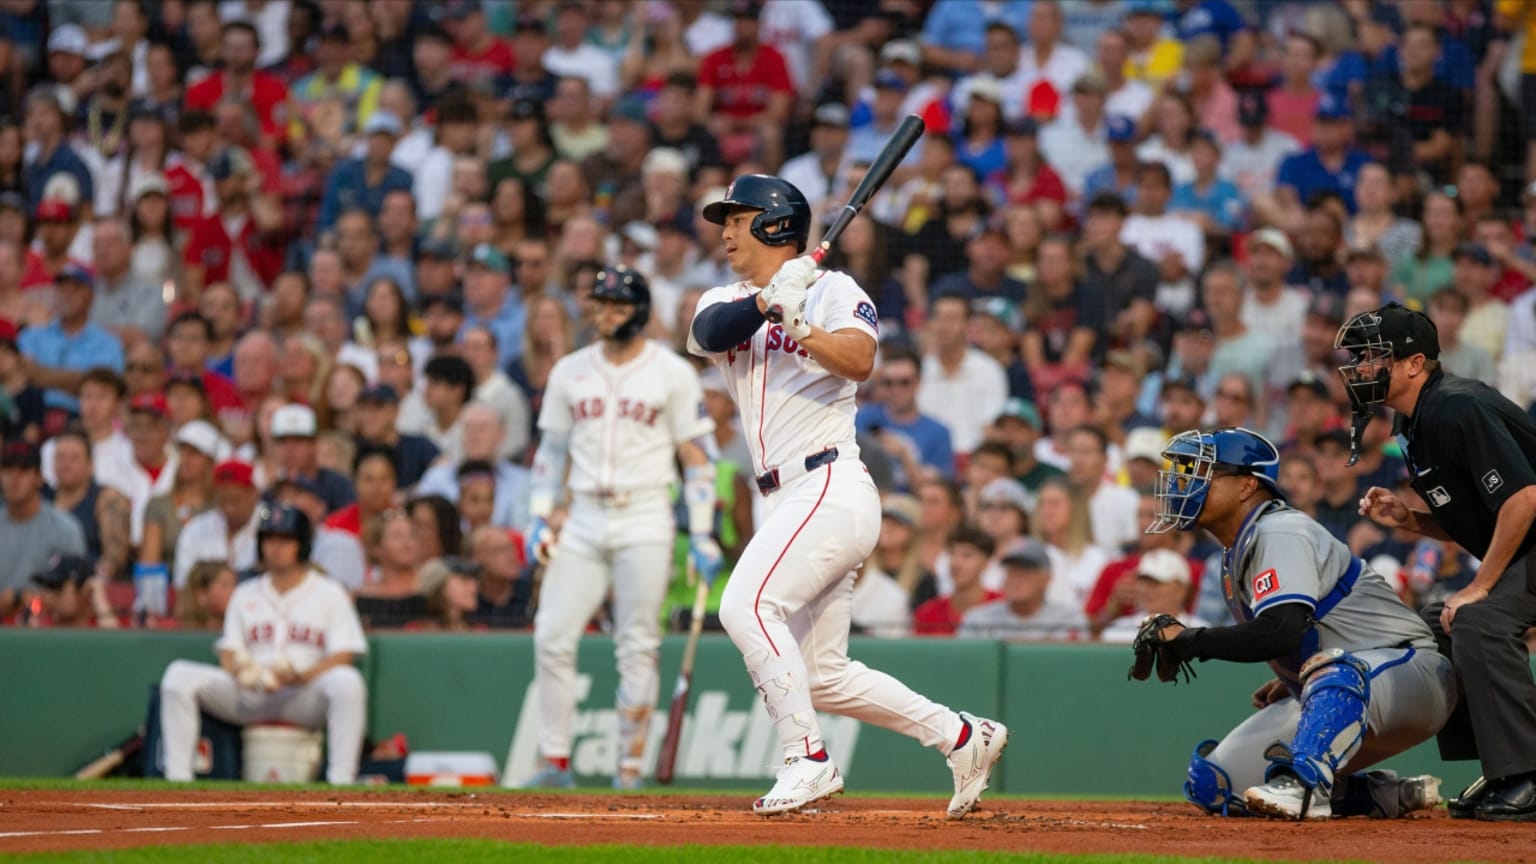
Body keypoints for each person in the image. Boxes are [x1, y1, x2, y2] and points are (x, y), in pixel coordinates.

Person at [688, 174, 1008, 817]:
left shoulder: (836, 290)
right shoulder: (724, 296)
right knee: (824, 675)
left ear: (777, 224)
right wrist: (765, 303)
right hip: (782, 499)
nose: (724, 231)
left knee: (745, 606)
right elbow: (709, 334)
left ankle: (806, 757)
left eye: (738, 218)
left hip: (830, 483)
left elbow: (860, 361)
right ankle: (963, 736)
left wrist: (797, 321)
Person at [1135, 425, 1454, 820]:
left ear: (1247, 486)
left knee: (1334, 671)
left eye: (1203, 472)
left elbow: (1282, 629)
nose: (1186, 483)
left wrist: (1190, 640)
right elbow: (1294, 630)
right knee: (1214, 783)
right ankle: (1383, 795)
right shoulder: (1238, 547)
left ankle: (1305, 784)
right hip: (1351, 684)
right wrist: (1293, 676)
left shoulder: (1280, 529)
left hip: (1413, 674)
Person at [518, 265, 715, 791]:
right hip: (583, 515)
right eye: (600, 303)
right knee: (553, 635)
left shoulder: (672, 371)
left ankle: (628, 769)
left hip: (646, 512)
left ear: (640, 311)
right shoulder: (569, 370)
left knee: (637, 645)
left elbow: (696, 457)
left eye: (617, 304)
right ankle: (555, 761)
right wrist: (539, 515)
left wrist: (700, 531)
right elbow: (550, 452)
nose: (606, 313)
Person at [1344, 304, 1536, 821]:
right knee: (1436, 625)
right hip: (1526, 547)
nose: (1361, 368)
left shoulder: (1455, 406)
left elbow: (1524, 499)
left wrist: (1481, 586)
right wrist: (1411, 520)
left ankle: (1528, 776)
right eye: (1359, 358)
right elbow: (1476, 514)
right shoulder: (1417, 419)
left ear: (1414, 363)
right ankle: (1505, 772)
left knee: (1477, 617)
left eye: (1373, 356)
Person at [157, 504, 368, 784]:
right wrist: (248, 674)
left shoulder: (329, 592)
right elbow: (229, 653)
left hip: (302, 693)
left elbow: (344, 654)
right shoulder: (245, 593)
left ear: (302, 544)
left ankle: (341, 780)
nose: (275, 548)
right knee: (178, 676)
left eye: (285, 540)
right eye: (269, 539)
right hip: (251, 693)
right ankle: (178, 780)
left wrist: (302, 676)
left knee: (348, 681)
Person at [0, 440, 86, 618]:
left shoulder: (65, 528)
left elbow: (71, 605)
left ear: (39, 478)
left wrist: (19, 598)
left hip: (47, 633)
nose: (14, 479)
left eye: (23, 471)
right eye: (7, 470)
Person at [957, 538, 1087, 641]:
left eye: (1025, 570)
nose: (1016, 578)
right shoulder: (979, 620)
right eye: (1011, 571)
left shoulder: (1067, 619)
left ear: (1046, 579)